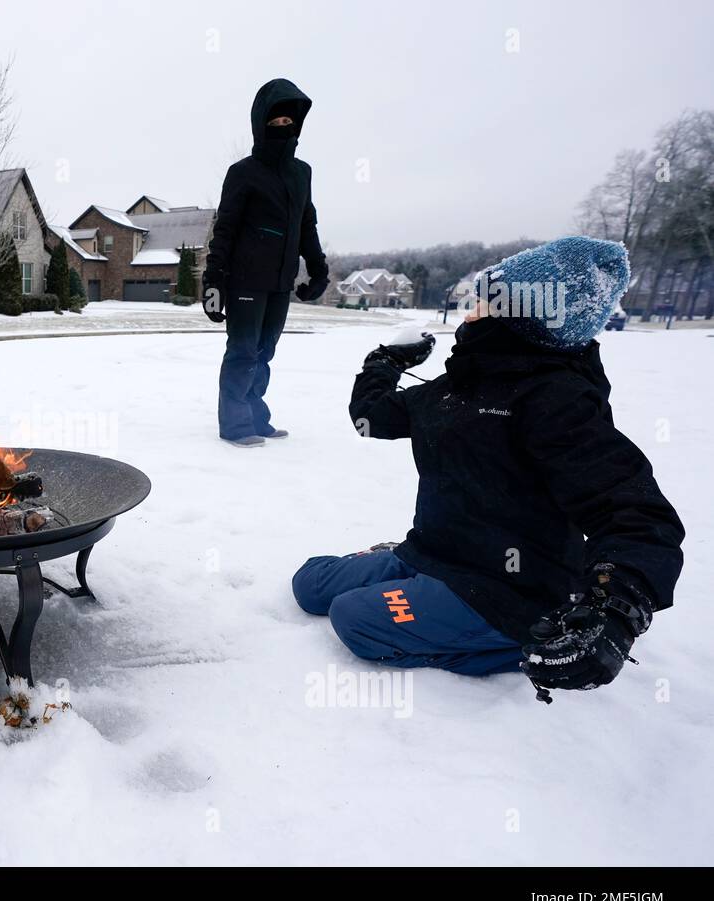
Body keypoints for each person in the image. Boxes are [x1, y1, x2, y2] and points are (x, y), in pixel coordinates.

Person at [291, 237, 684, 696]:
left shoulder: (558, 401)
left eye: (486, 299)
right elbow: (372, 418)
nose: (470, 308)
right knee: (311, 584)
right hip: (433, 552)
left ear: (525, 314)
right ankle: (415, 570)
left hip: (507, 589)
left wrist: (617, 610)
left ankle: (527, 639)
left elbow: (635, 512)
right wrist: (386, 361)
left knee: (354, 618)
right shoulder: (457, 385)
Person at [203, 78, 329, 448]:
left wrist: (318, 268)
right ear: (260, 123)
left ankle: (257, 416)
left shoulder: (301, 172)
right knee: (243, 350)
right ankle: (236, 424)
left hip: (280, 281)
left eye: (288, 122)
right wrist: (213, 281)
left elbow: (306, 222)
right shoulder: (243, 172)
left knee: (265, 351)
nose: (282, 128)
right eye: (274, 122)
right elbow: (224, 229)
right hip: (245, 279)